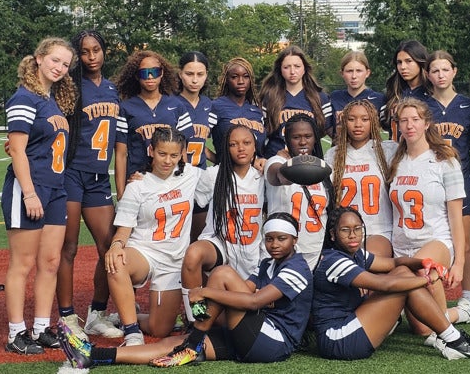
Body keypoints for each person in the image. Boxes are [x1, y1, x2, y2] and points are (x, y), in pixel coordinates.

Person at [57, 213, 314, 368]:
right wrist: (208, 299)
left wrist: (206, 293)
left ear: (294, 239)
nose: (274, 244)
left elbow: (253, 301)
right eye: (270, 239)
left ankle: (195, 336)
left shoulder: (297, 268)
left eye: (282, 239)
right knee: (173, 343)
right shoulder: (270, 263)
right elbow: (244, 291)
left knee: (222, 273)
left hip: (272, 342)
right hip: (254, 335)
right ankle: (94, 355)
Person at [311, 206, 470, 360]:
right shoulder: (333, 260)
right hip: (338, 338)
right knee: (401, 286)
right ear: (333, 235)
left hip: (351, 321)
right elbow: (384, 285)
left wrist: (424, 263)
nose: (353, 235)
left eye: (357, 228)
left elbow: (393, 263)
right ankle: (453, 340)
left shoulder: (355, 254)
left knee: (402, 272)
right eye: (345, 230)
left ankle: (450, 337)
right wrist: (427, 278)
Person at [1, 37, 76, 354]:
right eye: (55, 60)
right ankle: (16, 333)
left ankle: (42, 327)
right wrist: (30, 194)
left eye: (65, 64)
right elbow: (17, 149)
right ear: (39, 59)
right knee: (23, 263)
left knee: (50, 261)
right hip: (30, 189)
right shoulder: (25, 97)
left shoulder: (52, 100)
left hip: (56, 188)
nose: (59, 68)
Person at [387, 98, 470, 339]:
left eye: (415, 120)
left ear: (427, 123)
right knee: (422, 329)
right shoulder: (395, 160)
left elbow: (456, 215)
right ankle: (460, 313)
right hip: (402, 244)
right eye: (404, 120)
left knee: (424, 270)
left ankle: (449, 336)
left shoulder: (444, 160)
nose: (410, 126)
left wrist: (458, 262)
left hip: (436, 239)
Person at [105, 127, 203, 346]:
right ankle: (131, 332)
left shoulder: (193, 175)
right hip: (144, 251)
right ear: (151, 150)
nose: (168, 161)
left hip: (174, 261)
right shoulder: (138, 185)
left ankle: (125, 318)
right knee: (116, 261)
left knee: (160, 329)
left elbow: (224, 178)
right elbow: (123, 230)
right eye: (162, 154)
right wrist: (116, 245)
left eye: (174, 155)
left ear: (182, 154)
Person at [54, 30, 123, 341]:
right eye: (85, 51)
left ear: (104, 52)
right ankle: (67, 316)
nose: (92, 56)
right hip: (71, 173)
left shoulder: (113, 89)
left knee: (108, 248)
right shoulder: (69, 87)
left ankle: (96, 312)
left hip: (98, 178)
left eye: (97, 50)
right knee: (67, 248)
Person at [424, 50, 470, 320]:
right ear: (428, 75)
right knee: (430, 239)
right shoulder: (422, 105)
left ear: (454, 71)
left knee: (464, 244)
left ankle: (469, 300)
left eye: (444, 70)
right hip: (428, 182)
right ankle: (429, 298)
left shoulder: (469, 106)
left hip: (459, 181)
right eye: (435, 71)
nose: (440, 75)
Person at [181, 124, 265, 321]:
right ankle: (195, 317)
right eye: (233, 144)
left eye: (246, 143)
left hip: (251, 252)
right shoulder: (214, 175)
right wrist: (143, 178)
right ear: (226, 149)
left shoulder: (263, 177)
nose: (241, 148)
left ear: (255, 147)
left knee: (231, 319)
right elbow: (182, 189)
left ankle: (208, 317)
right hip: (220, 245)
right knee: (194, 254)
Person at [113, 50, 193, 201]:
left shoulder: (177, 105)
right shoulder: (126, 107)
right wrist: (121, 193)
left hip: (169, 182)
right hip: (137, 180)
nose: (150, 77)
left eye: (154, 72)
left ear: (162, 73)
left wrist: (181, 182)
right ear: (136, 76)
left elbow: (183, 152)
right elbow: (121, 154)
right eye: (144, 73)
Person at [325, 99, 396, 258]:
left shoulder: (388, 150)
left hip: (379, 229)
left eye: (365, 119)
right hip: (344, 232)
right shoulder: (333, 155)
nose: (358, 124)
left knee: (365, 260)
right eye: (351, 119)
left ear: (374, 122)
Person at [264, 114, 333, 270]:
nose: (303, 142)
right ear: (287, 139)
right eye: (296, 137)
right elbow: (279, 176)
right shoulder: (276, 162)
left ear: (315, 138)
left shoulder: (325, 169)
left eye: (308, 136)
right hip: (284, 253)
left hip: (316, 251)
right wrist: (290, 167)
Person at [259, 45, 333, 158]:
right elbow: (261, 133)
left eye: (297, 66)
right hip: (276, 158)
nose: (292, 71)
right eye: (287, 67)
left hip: (309, 160)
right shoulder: (269, 98)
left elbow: (330, 131)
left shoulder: (319, 97)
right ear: (280, 69)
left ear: (304, 69)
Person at [175, 51, 214, 240]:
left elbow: (201, 142)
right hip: (175, 179)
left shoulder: (209, 105)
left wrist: (217, 158)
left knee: (198, 240)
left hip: (200, 180)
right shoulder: (171, 103)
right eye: (189, 74)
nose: (194, 80)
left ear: (206, 75)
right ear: (180, 73)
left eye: (200, 74)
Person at [208, 57, 266, 167]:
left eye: (246, 77)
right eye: (234, 77)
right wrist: (219, 161)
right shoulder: (216, 106)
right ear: (226, 80)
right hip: (228, 174)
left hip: (256, 175)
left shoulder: (257, 110)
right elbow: (198, 139)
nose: (241, 81)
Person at [382, 40, 431, 141]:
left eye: (409, 61)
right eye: (399, 62)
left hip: (425, 153)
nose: (403, 67)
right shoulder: (392, 93)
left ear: (420, 61)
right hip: (396, 153)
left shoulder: (432, 92)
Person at [329, 51, 384, 123]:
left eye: (359, 71)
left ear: (367, 73)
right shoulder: (335, 97)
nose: (354, 76)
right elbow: (328, 129)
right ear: (342, 73)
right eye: (349, 71)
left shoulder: (379, 99)